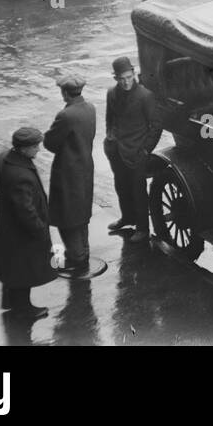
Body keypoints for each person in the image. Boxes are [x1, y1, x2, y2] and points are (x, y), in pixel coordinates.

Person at [0, 126, 56, 321]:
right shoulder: (20, 176)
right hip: (22, 233)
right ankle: (24, 309)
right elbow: (25, 210)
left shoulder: (5, 158)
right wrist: (40, 229)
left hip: (9, 229)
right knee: (24, 272)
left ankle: (14, 304)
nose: (38, 150)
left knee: (14, 269)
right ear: (24, 149)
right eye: (35, 147)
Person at [43, 74, 96, 277]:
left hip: (67, 172)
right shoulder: (90, 108)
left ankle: (77, 259)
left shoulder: (66, 115)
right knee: (81, 214)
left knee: (67, 217)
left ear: (65, 93)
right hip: (85, 168)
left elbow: (50, 143)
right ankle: (83, 251)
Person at [104, 56, 161, 244]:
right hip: (117, 150)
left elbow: (156, 126)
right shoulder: (112, 94)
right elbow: (110, 119)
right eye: (121, 79)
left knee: (138, 190)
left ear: (134, 73)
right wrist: (110, 139)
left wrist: (145, 150)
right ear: (116, 78)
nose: (126, 82)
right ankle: (127, 218)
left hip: (137, 152)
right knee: (121, 186)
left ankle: (143, 229)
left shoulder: (145, 96)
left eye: (129, 77)